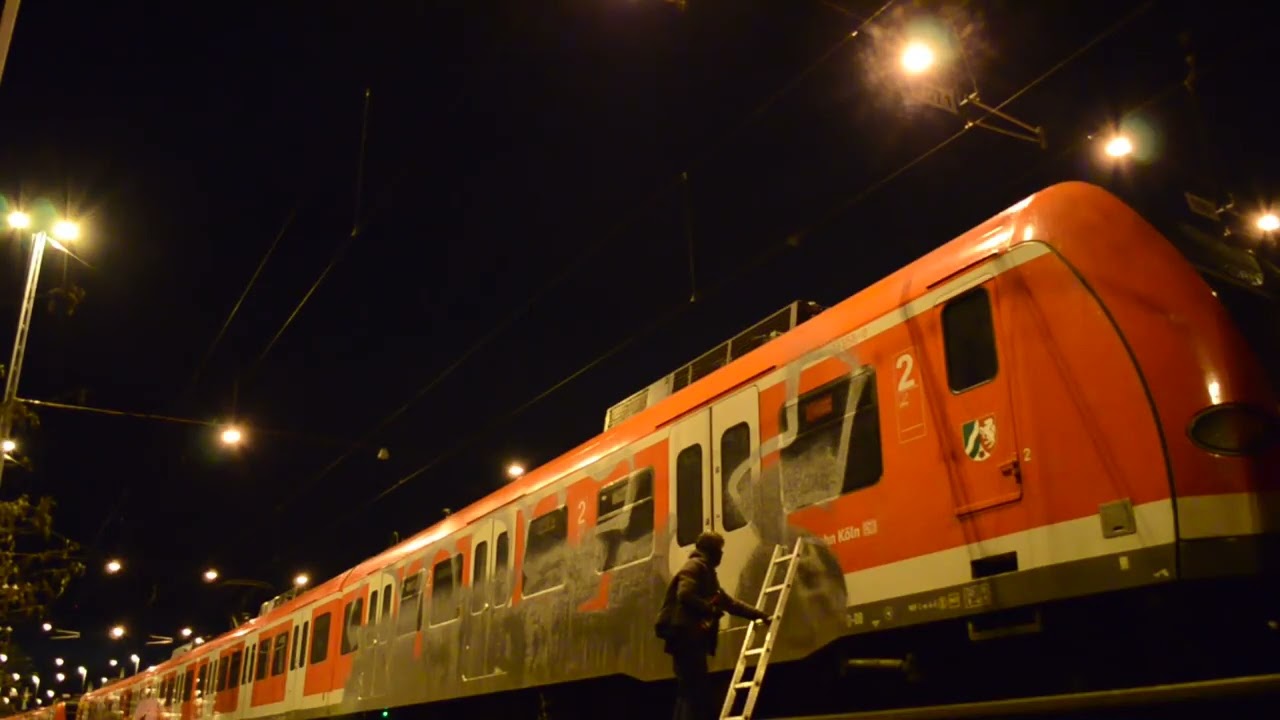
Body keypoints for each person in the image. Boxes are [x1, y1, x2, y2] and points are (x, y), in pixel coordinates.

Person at [655, 531, 771, 720]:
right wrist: (709, 609)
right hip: (686, 639)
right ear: (711, 550)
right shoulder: (695, 566)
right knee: (694, 690)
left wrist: (759, 615)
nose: (721, 554)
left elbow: (730, 604)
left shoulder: (706, 572)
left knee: (689, 690)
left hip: (689, 639)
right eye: (719, 550)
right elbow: (685, 594)